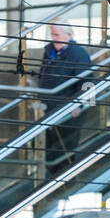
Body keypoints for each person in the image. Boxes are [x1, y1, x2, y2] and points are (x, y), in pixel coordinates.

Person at [37, 23, 93, 172]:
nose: (53, 39)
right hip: (49, 109)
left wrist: (79, 105)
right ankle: (53, 181)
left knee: (65, 151)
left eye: (57, 35)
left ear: (69, 35)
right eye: (52, 35)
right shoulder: (49, 51)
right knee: (49, 150)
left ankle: (66, 183)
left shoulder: (78, 54)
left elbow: (87, 83)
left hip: (69, 112)